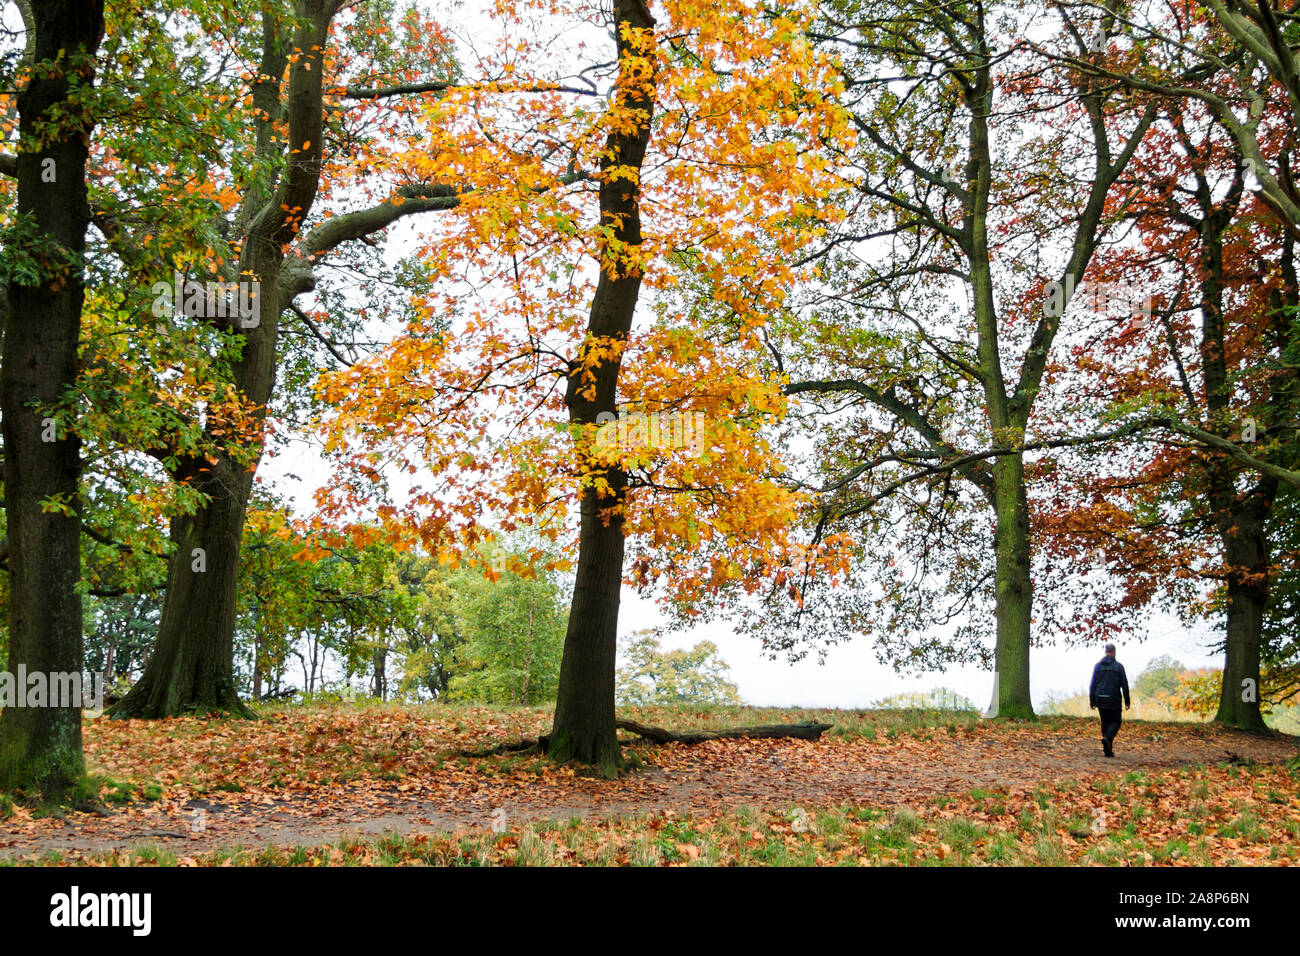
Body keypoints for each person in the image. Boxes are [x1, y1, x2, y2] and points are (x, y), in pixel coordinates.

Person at [1089, 643, 1130, 757]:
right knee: (1116, 721)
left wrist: (1092, 700)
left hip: (1099, 698)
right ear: (1114, 652)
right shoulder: (1119, 667)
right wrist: (1127, 701)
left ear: (1106, 652)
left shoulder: (1098, 666)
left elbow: (1093, 684)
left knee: (1105, 722)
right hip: (1113, 698)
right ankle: (1107, 739)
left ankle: (1108, 750)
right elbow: (1124, 685)